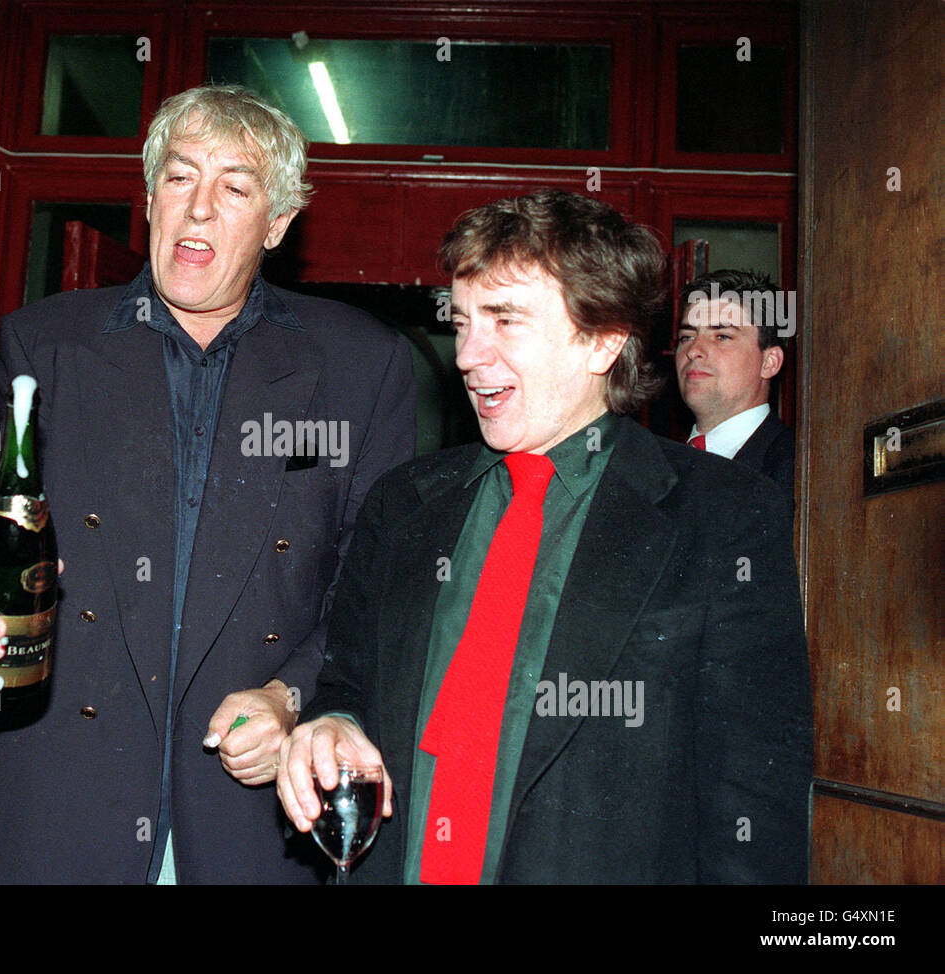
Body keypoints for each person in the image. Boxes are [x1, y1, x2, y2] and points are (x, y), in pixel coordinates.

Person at [0, 84, 415, 884]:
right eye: (179, 178)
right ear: (149, 198)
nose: (200, 209)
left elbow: (375, 588)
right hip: (64, 814)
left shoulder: (360, 368)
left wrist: (292, 695)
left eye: (236, 187)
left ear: (278, 225)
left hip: (253, 828)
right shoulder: (48, 343)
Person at [277, 190, 812, 884]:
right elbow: (344, 684)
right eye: (463, 321)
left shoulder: (723, 515)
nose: (468, 355)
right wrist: (332, 723)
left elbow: (754, 803)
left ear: (602, 339)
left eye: (504, 320)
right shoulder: (403, 505)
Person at [677, 269, 795, 517]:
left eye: (722, 336)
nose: (694, 350)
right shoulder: (652, 467)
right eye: (687, 336)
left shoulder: (798, 469)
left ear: (769, 362)